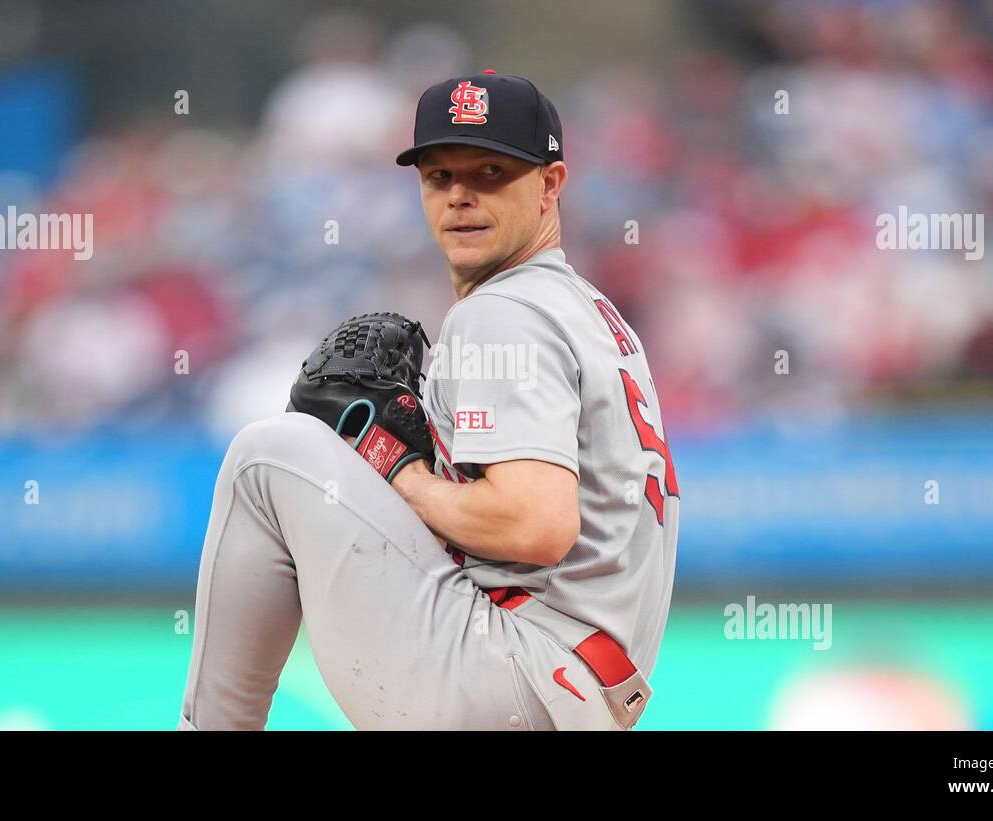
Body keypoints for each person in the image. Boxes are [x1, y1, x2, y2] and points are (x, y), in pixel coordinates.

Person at [178, 71, 678, 730]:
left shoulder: (504, 312)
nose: (461, 195)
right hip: (577, 691)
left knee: (265, 456)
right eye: (439, 176)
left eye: (491, 171)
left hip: (514, 675)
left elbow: (536, 525)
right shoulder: (590, 313)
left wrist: (396, 469)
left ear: (550, 184)